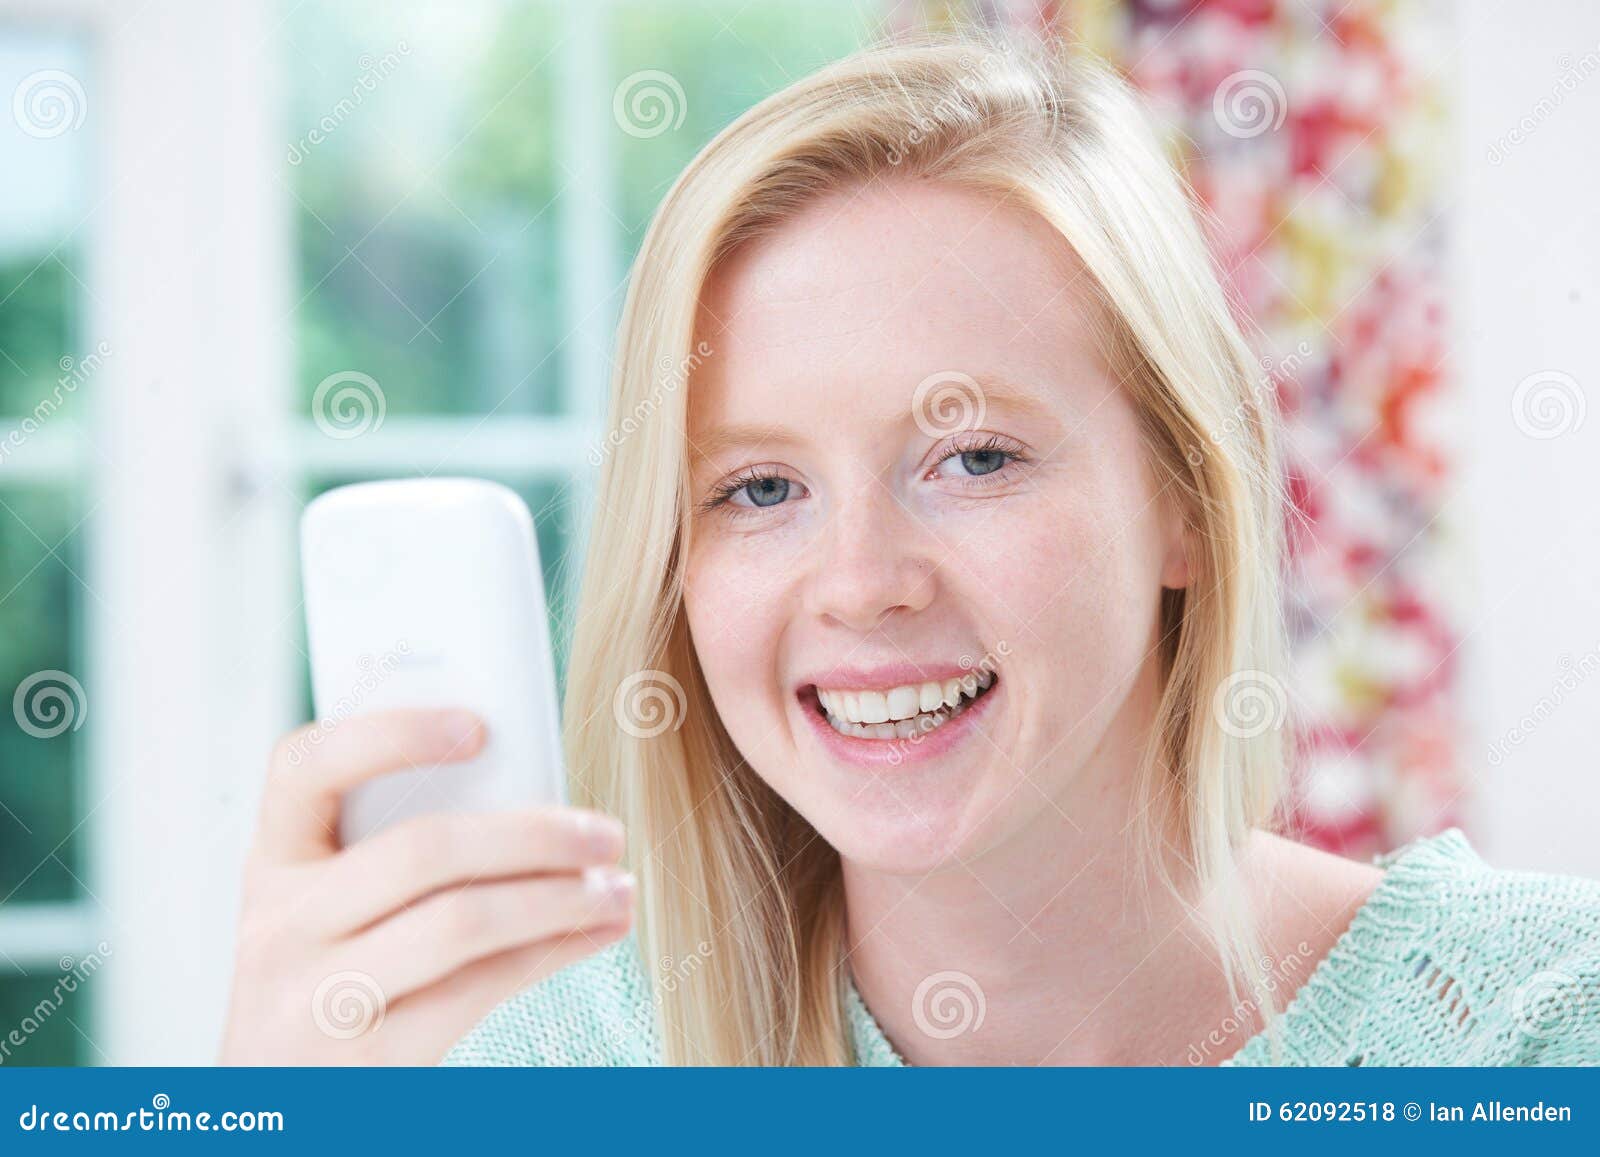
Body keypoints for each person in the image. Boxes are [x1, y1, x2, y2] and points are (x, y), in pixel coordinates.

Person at [219, 26, 1600, 1067]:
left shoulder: (1539, 1029)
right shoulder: (533, 1060)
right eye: (758, 487)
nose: (864, 583)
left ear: (1189, 492)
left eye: (975, 458)